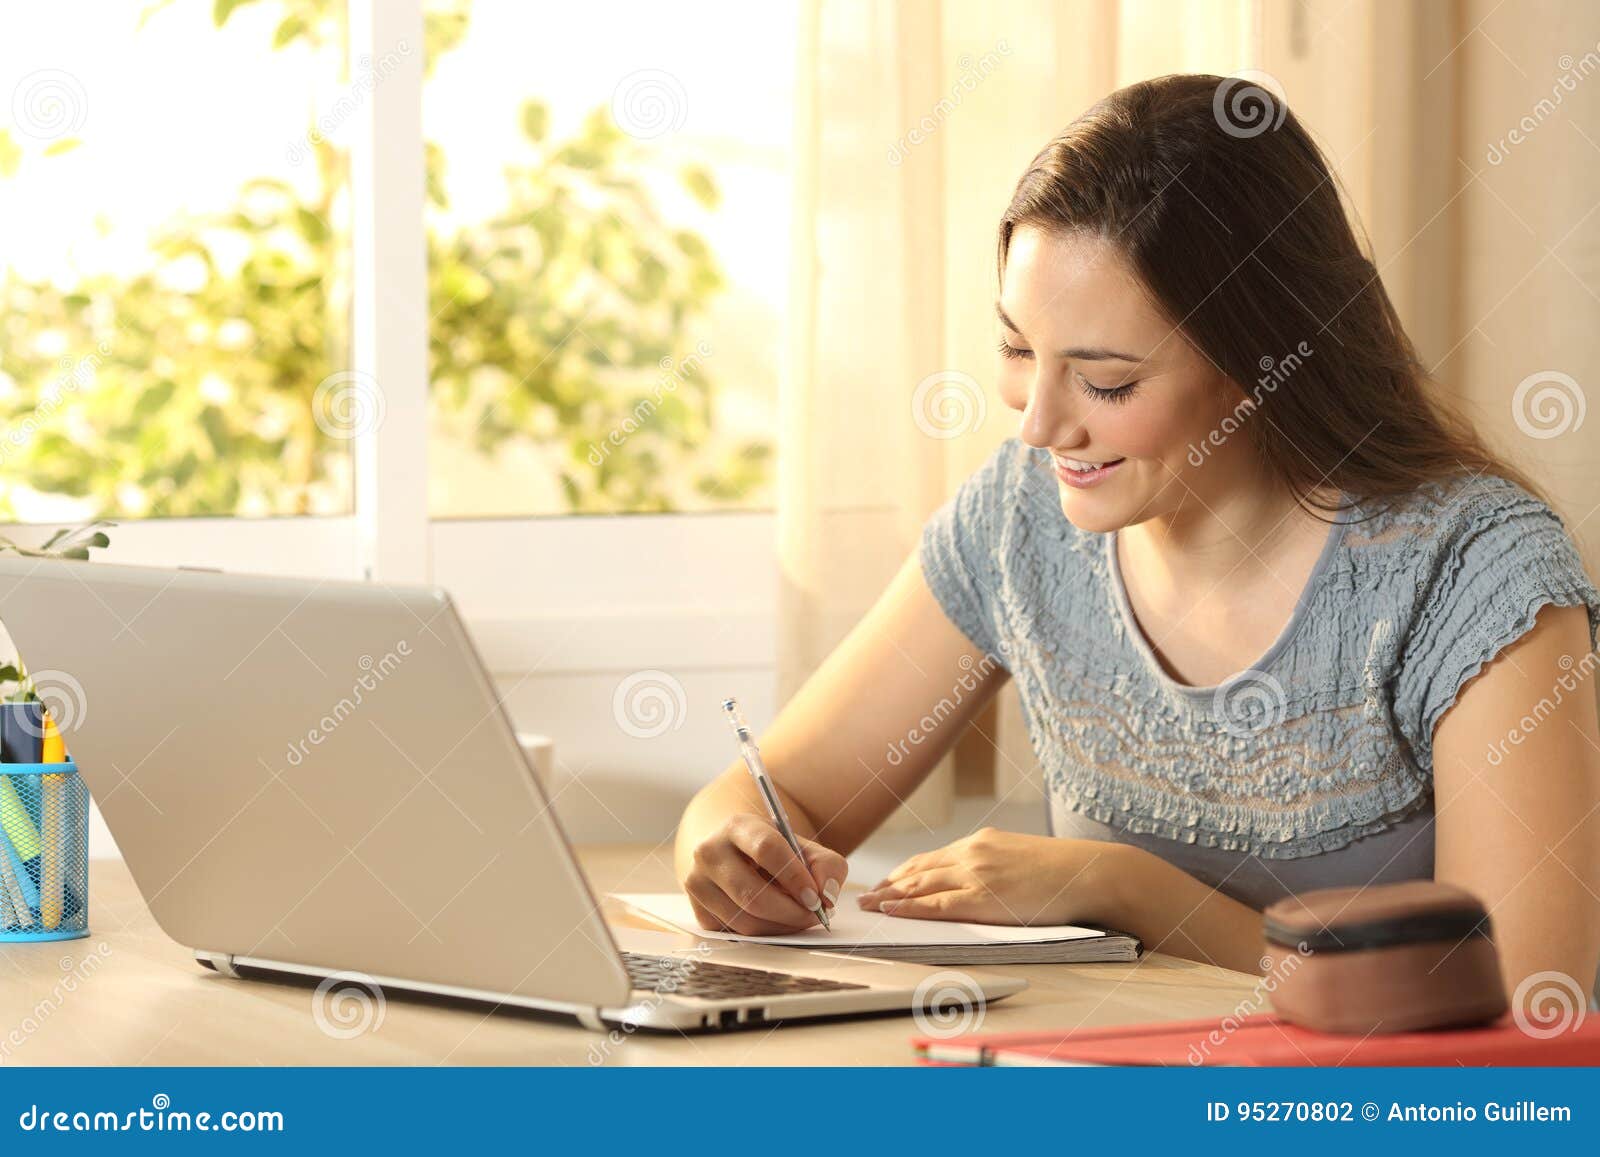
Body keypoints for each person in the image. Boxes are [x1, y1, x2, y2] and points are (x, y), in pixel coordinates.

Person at [674, 74, 1600, 999]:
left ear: (1260, 355)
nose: (1039, 425)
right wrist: (726, 844)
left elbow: (1524, 995)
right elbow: (773, 793)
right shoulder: (1023, 521)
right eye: (1018, 350)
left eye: (1107, 383)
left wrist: (1127, 890)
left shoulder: (1473, 573)